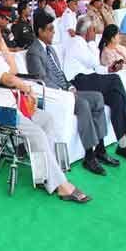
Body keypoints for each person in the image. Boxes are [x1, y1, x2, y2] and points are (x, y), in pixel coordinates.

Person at [0, 25, 90, 202]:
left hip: (14, 104)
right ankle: (60, 185)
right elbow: (8, 78)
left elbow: (12, 71)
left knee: (47, 120)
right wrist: (27, 88)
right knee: (38, 134)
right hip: (2, 109)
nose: (2, 42)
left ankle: (45, 173)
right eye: (0, 40)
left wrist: (6, 51)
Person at [25, 12, 112, 176]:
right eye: (50, 29)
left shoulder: (51, 50)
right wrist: (63, 92)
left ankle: (100, 147)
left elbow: (60, 74)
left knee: (98, 98)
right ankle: (89, 155)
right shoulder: (34, 52)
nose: (53, 32)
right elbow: (40, 79)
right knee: (83, 104)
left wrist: (70, 87)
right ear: (40, 31)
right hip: (54, 97)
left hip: (65, 91)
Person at [63, 16, 126, 158]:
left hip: (88, 78)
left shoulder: (82, 43)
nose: (95, 32)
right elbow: (93, 60)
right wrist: (92, 42)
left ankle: (122, 145)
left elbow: (95, 67)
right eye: (93, 29)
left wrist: (108, 70)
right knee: (115, 79)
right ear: (88, 31)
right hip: (79, 81)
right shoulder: (77, 42)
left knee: (116, 97)